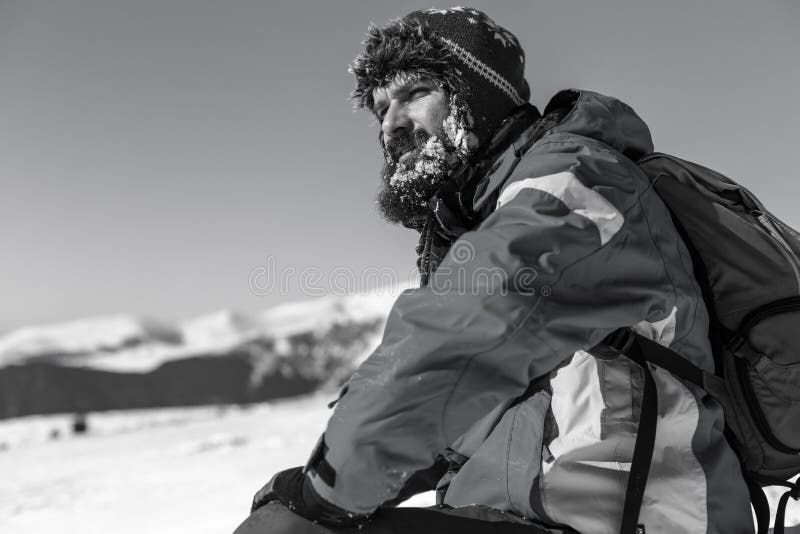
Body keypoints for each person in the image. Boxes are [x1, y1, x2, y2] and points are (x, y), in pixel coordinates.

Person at [234, 7, 753, 534]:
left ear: (479, 93)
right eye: (381, 108)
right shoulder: (487, 216)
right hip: (540, 514)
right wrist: (340, 482)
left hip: (648, 519)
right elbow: (461, 408)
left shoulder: (573, 183)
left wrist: (323, 490)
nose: (390, 124)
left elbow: (449, 339)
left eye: (415, 92)